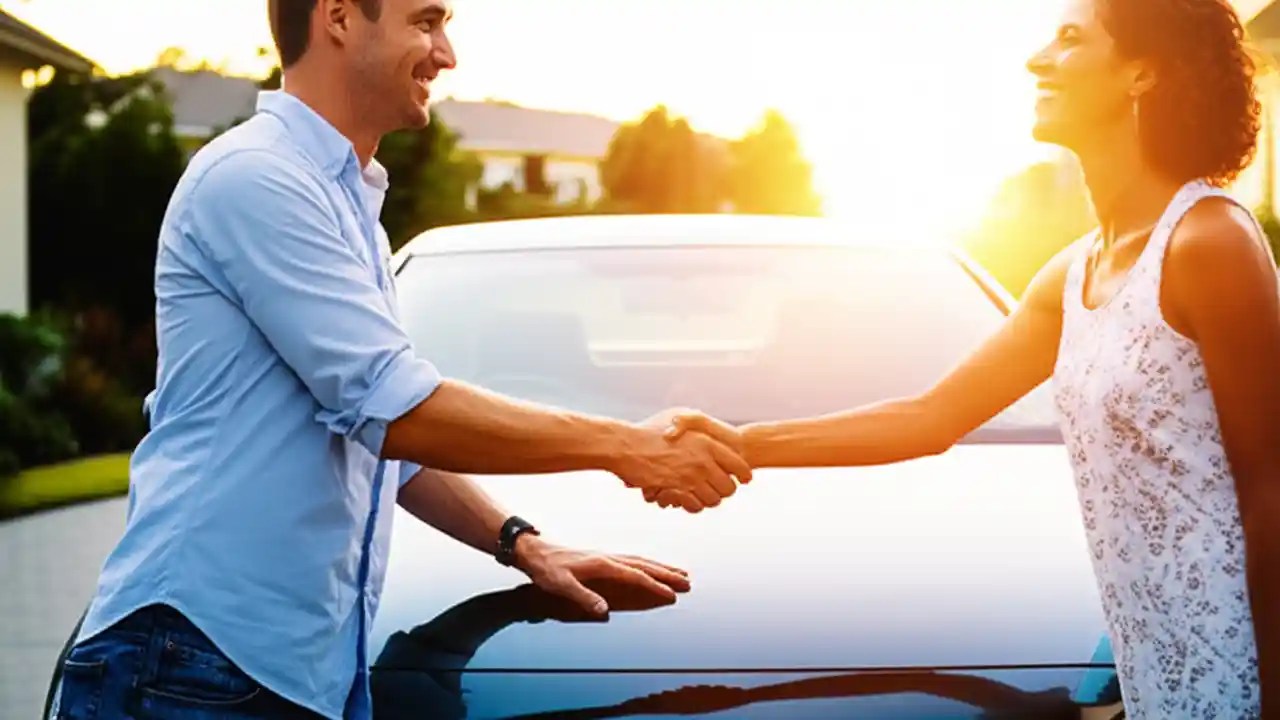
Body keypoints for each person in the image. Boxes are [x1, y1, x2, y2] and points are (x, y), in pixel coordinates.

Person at [51, 1, 750, 719]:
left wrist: (523, 544)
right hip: (193, 667)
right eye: (426, 21)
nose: (445, 54)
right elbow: (398, 410)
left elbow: (388, 444)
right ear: (340, 16)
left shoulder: (346, 207)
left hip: (271, 675)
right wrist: (625, 446)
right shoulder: (255, 179)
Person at [665, 0, 1280, 717]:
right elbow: (929, 418)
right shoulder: (1072, 274)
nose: (1037, 60)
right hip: (1147, 673)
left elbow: (1271, 485)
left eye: (1071, 39)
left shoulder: (1209, 243)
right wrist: (740, 443)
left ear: (1141, 73)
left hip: (1232, 671)